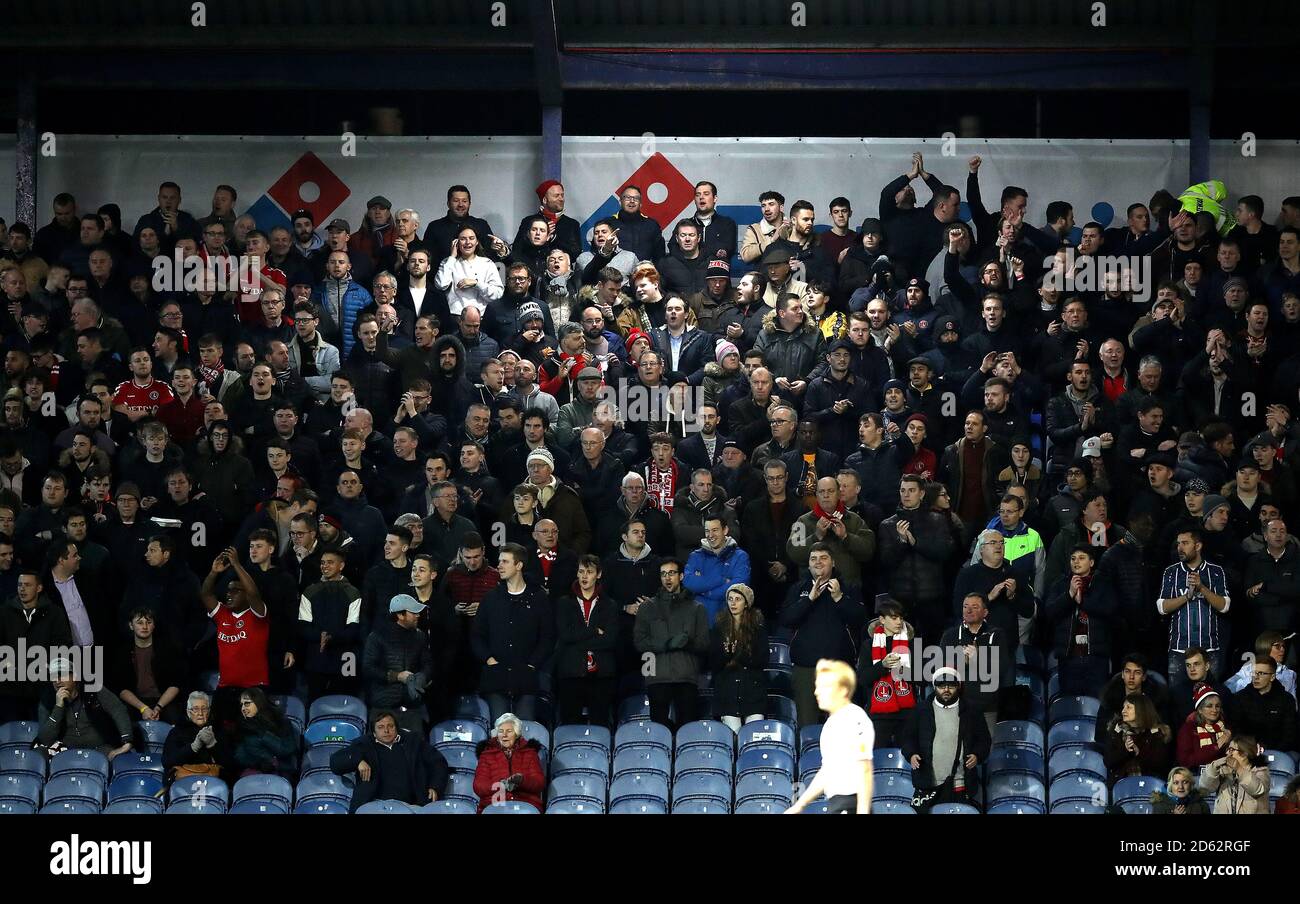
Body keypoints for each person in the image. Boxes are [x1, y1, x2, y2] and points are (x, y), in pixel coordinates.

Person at [781, 543, 865, 727]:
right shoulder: (798, 589)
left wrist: (839, 598)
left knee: (841, 726)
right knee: (807, 724)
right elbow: (787, 619)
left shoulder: (848, 588)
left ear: (833, 562)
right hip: (805, 668)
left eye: (823, 558)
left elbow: (860, 620)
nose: (818, 562)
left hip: (839, 667)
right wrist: (809, 599)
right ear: (808, 565)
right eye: (813, 559)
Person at [472, 543, 554, 722]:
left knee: (525, 729)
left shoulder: (538, 597)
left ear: (519, 565)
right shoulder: (491, 598)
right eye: (499, 561)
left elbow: (547, 636)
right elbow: (477, 635)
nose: (499, 565)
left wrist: (532, 664)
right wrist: (489, 660)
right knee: (500, 731)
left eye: (505, 562)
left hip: (526, 677)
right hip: (496, 676)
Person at [786, 659, 873, 815]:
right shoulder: (831, 723)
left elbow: (864, 769)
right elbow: (828, 771)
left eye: (824, 687)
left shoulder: (854, 717)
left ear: (842, 690)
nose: (816, 692)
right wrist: (800, 805)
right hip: (837, 803)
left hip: (851, 803)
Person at [634, 556, 709, 730]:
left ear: (681, 576)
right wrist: (666, 644)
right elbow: (640, 643)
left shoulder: (697, 608)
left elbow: (704, 644)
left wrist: (687, 643)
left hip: (686, 677)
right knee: (659, 733)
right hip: (656, 677)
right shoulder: (647, 607)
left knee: (687, 731)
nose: (667, 578)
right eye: (663, 574)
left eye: (672, 573)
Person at [901, 667, 991, 811]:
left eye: (951, 686)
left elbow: (984, 740)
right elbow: (907, 738)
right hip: (928, 783)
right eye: (942, 686)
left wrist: (977, 755)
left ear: (959, 686)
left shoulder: (972, 711)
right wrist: (911, 754)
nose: (946, 690)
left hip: (960, 782)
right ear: (934, 686)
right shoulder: (921, 710)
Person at [329, 710, 449, 812]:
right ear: (374, 732)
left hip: (411, 806)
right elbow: (335, 763)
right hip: (373, 806)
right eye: (380, 727)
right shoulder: (364, 745)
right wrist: (357, 761)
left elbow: (439, 763)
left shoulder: (413, 742)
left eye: (390, 726)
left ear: (396, 728)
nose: (386, 731)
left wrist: (435, 787)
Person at [1158, 528, 1231, 690]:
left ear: (1197, 546)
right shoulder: (1171, 572)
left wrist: (1202, 588)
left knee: (1210, 697)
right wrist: (1186, 596)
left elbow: (1224, 606)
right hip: (1179, 649)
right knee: (1177, 700)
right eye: (1178, 544)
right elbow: (1162, 607)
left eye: (1185, 543)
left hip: (1209, 649)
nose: (1180, 548)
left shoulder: (1215, 571)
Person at [554, 554, 620, 726]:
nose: (584, 576)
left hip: (602, 675)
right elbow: (565, 635)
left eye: (589, 572)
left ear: (598, 575)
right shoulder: (564, 603)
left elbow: (609, 640)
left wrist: (578, 641)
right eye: (581, 571)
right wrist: (593, 631)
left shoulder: (610, 605)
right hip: (571, 674)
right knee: (570, 724)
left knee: (600, 723)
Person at [35, 657, 134, 760]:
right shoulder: (48, 699)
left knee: (119, 758)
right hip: (65, 749)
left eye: (62, 675)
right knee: (38, 754)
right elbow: (44, 739)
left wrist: (127, 742)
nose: (57, 681)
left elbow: (118, 710)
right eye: (53, 676)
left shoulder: (92, 689)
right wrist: (58, 708)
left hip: (100, 747)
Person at [362, 594, 434, 733]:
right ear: (400, 615)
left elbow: (428, 663)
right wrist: (397, 676)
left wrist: (423, 676)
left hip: (412, 708)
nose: (418, 615)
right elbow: (368, 668)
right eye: (413, 612)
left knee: (414, 751)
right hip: (383, 708)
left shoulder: (420, 636)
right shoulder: (377, 637)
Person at [856, 598, 916, 748]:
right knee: (877, 760)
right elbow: (863, 679)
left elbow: (920, 679)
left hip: (906, 714)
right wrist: (882, 666)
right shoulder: (868, 645)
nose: (899, 622)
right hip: (879, 715)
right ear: (882, 620)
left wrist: (902, 668)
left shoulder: (911, 644)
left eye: (901, 618)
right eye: (894, 618)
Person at [110, 607, 184, 725]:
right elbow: (121, 689)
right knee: (123, 720)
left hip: (163, 701)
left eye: (148, 622)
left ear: (154, 625)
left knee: (176, 719)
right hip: (136, 702)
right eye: (139, 623)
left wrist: (158, 707)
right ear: (131, 626)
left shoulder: (167, 649)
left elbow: (176, 684)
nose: (144, 626)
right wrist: (143, 708)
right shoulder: (123, 652)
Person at [709, 584, 768, 732]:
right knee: (732, 736)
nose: (733, 603)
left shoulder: (758, 628)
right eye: (730, 599)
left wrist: (739, 655)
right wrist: (727, 654)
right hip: (727, 693)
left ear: (746, 603)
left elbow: (762, 659)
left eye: (738, 599)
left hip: (752, 692)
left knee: (752, 738)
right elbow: (713, 662)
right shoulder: (718, 628)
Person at [472, 712, 546, 813]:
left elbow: (539, 782)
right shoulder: (487, 754)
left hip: (525, 804)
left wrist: (521, 781)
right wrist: (501, 784)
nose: (504, 735)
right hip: (494, 804)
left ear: (516, 734)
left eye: (509, 731)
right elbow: (479, 786)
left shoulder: (530, 753)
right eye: (501, 731)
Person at [1226, 656, 1298, 753]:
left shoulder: (1286, 700)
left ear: (1272, 677)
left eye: (1261, 673)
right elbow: (1236, 730)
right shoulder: (1239, 698)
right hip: (1247, 752)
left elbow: (1289, 734)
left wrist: (1271, 752)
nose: (1256, 677)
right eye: (1254, 673)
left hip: (1278, 752)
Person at [161, 691, 234, 786]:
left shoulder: (218, 730)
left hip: (213, 784)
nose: (200, 713)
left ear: (209, 711)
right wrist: (193, 747)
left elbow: (230, 765)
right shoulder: (177, 732)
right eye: (195, 709)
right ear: (188, 712)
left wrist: (212, 745)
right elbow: (167, 762)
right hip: (183, 783)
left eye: (204, 709)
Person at [230, 687, 298, 777]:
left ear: (258, 703)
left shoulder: (281, 721)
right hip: (253, 771)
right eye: (241, 705)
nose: (243, 708)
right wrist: (260, 763)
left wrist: (263, 734)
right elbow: (239, 755)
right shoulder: (243, 725)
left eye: (247, 703)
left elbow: (287, 749)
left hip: (281, 771)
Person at [1101, 693, 1171, 780]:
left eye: (1128, 707)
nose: (1123, 711)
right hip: (1120, 784)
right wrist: (1125, 750)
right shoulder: (1116, 732)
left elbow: (1161, 765)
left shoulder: (1157, 733)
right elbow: (1108, 762)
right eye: (1123, 707)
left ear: (1141, 710)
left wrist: (1139, 753)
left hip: (1150, 784)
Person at [1198, 735, 1271, 814]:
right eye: (1228, 749)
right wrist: (1214, 767)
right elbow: (1205, 788)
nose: (1227, 753)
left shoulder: (1261, 771)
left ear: (1244, 753)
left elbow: (1257, 790)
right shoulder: (1223, 771)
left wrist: (1239, 769)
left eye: (1231, 750)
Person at [1175, 684, 1232, 770]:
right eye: (1209, 706)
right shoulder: (1188, 729)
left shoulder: (1225, 727)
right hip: (1196, 775)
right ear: (1200, 710)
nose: (1214, 710)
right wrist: (1216, 747)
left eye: (1217, 706)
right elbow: (1185, 761)